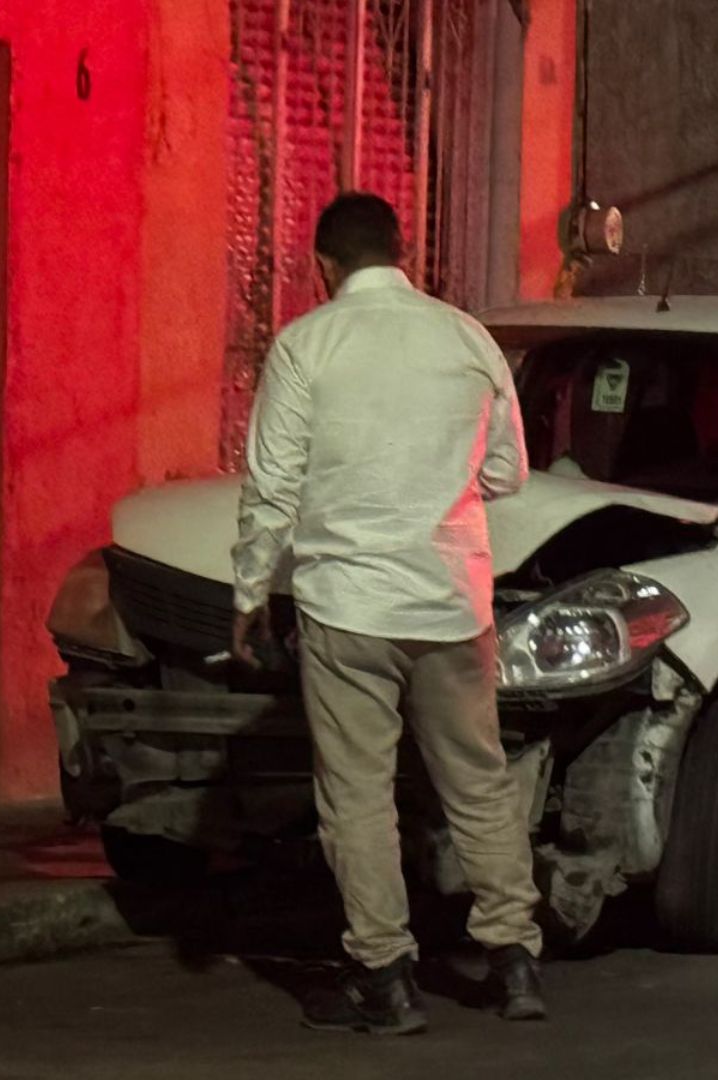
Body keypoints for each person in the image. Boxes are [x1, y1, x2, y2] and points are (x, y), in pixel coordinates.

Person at [232, 192, 545, 1036]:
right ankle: (514, 960)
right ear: (403, 251)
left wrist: (250, 592)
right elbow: (508, 471)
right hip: (451, 600)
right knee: (478, 783)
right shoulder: (466, 338)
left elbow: (272, 487)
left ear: (323, 266)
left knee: (358, 796)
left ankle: (385, 977)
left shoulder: (306, 345)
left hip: (347, 607)